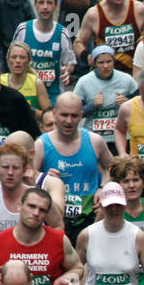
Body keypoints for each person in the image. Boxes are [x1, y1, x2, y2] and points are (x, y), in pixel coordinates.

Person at [35, 94, 117, 241]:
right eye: (64, 115)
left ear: (81, 115)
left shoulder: (94, 140)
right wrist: (44, 178)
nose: (69, 121)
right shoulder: (41, 144)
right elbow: (29, 181)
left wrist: (103, 187)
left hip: (89, 219)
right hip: (54, 221)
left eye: (74, 116)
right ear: (54, 114)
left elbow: (112, 167)